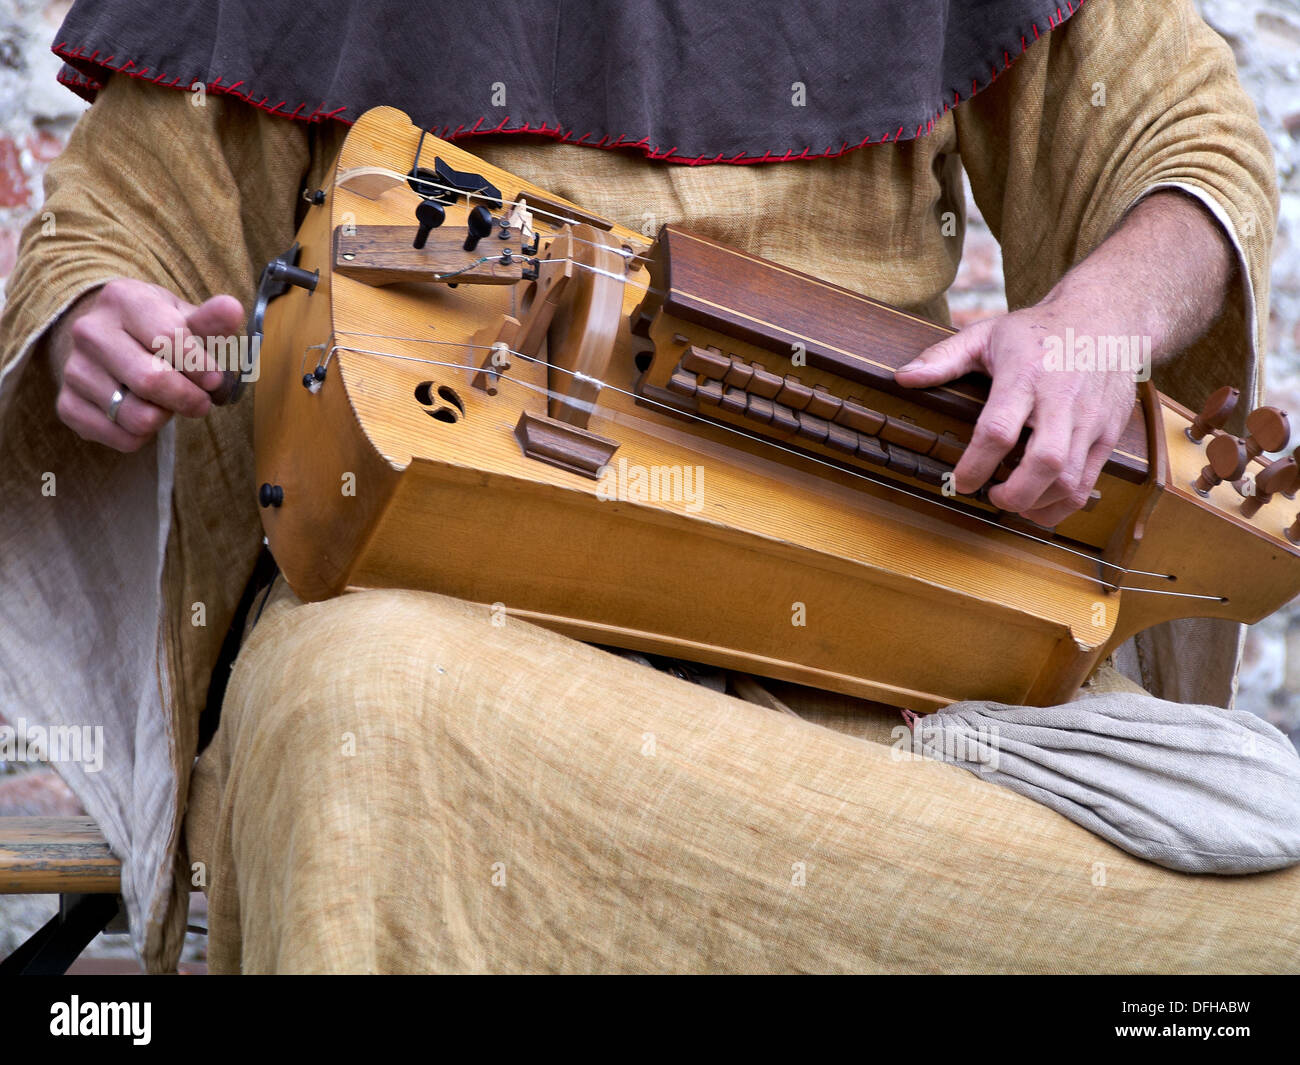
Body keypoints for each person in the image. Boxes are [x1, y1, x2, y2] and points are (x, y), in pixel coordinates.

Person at [1, 0, 1295, 973]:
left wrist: (1093, 327)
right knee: (363, 718)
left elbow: (1183, 140)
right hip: (457, 642)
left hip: (890, 662)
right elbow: (114, 233)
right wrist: (102, 323)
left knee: (1261, 919)